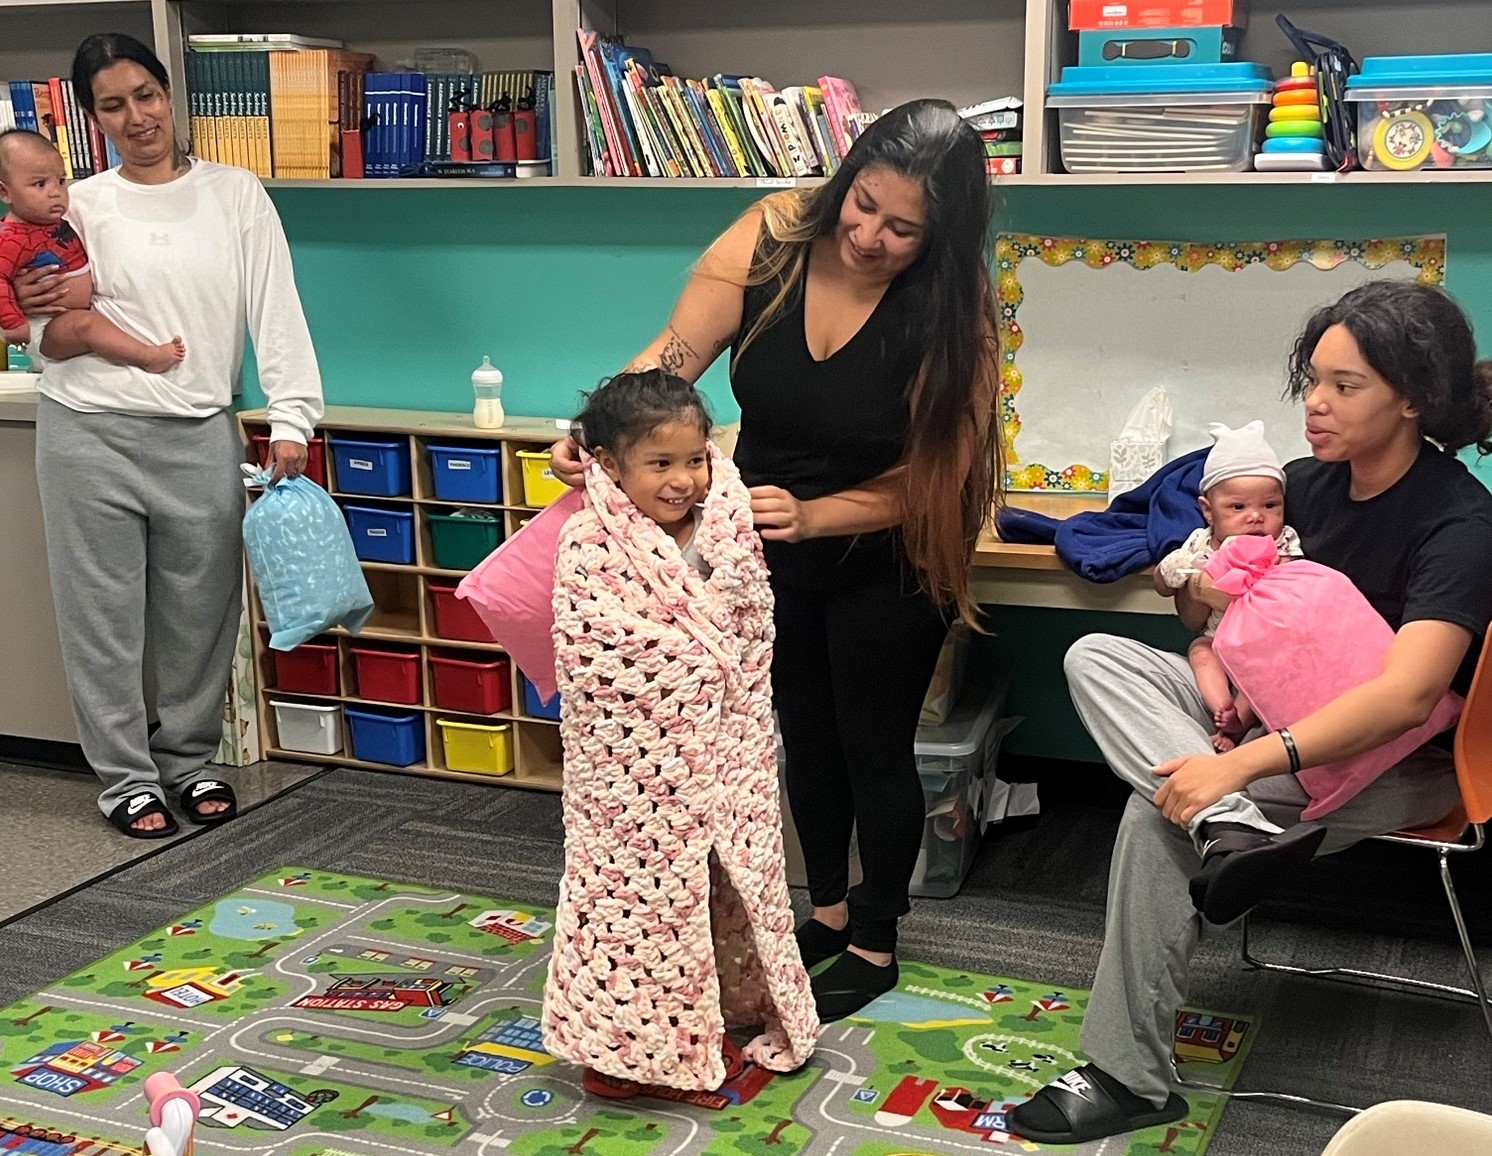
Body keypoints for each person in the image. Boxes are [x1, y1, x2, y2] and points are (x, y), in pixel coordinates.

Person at [1009, 279, 1492, 1146]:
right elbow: (1200, 616)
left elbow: (1407, 698)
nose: (1314, 403)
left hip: (1400, 757)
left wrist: (1232, 766)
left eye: (1344, 386)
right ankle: (1229, 829)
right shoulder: (1296, 486)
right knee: (1098, 656)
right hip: (1265, 716)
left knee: (1158, 807)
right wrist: (1200, 585)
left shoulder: (1460, 523)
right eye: (1313, 380)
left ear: (1413, 400)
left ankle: (1128, 1076)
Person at [548, 99, 1001, 1021]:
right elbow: (672, 360)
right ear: (847, 178)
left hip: (890, 552)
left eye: (902, 229)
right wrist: (602, 428)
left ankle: (875, 940)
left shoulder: (955, 314)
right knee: (799, 733)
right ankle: (825, 912)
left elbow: (940, 479)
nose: (869, 236)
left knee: (875, 745)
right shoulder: (775, 236)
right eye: (863, 205)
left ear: (940, 238)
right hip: (763, 547)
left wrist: (819, 513)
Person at [14, 33, 323, 839]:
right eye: (113, 105)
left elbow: (275, 307)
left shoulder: (234, 194)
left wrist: (292, 414)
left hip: (198, 429)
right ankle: (125, 779)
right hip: (87, 432)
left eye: (146, 95)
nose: (137, 117)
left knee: (200, 613)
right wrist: (42, 321)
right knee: (101, 617)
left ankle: (188, 761)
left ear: (169, 94)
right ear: (94, 119)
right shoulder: (75, 206)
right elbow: (41, 333)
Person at [542, 369, 818, 1099]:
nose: (682, 480)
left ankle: (713, 1011)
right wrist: (696, 663)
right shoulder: (589, 541)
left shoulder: (726, 528)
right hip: (633, 770)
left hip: (728, 746)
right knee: (634, 899)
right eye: (659, 463)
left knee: (726, 880)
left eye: (694, 459)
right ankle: (625, 1048)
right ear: (609, 465)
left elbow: (750, 621)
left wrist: (718, 665)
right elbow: (594, 648)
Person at [1153, 420, 1302, 751]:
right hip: (1216, 639)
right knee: (1199, 651)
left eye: (1270, 505)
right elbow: (1163, 584)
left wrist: (1272, 568)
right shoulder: (1200, 543)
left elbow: (1292, 584)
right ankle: (1221, 707)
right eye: (1238, 507)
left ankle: (1239, 724)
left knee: (1268, 671)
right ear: (1208, 511)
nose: (1256, 516)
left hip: (1263, 645)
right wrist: (1173, 570)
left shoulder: (1282, 541)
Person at [0, 129, 184, 372]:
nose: (56, 192)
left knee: (91, 323)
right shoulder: (10, 237)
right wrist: (13, 322)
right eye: (40, 184)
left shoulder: (59, 219)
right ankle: (148, 357)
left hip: (73, 316)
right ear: (4, 192)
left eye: (61, 181)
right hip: (45, 326)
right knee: (87, 325)